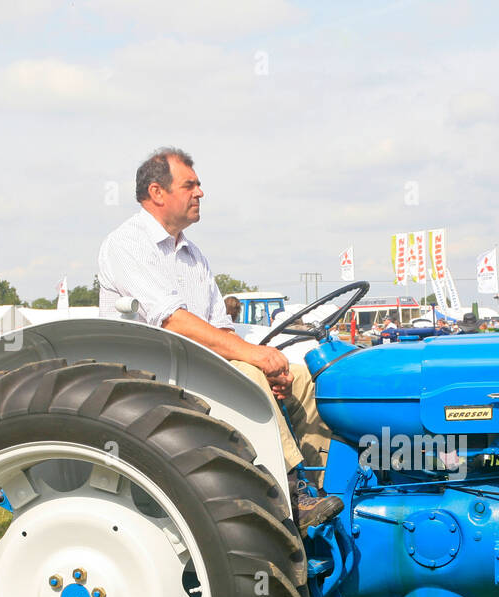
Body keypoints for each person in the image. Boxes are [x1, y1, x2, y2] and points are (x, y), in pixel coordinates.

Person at [97, 147, 341, 530]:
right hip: (151, 378)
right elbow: (174, 321)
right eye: (190, 185)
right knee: (253, 378)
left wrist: (261, 361)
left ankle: (330, 481)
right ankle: (293, 494)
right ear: (157, 192)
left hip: (198, 370)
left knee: (302, 378)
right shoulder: (126, 245)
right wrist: (256, 359)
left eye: (199, 185)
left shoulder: (194, 255)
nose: (200, 193)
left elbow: (220, 328)